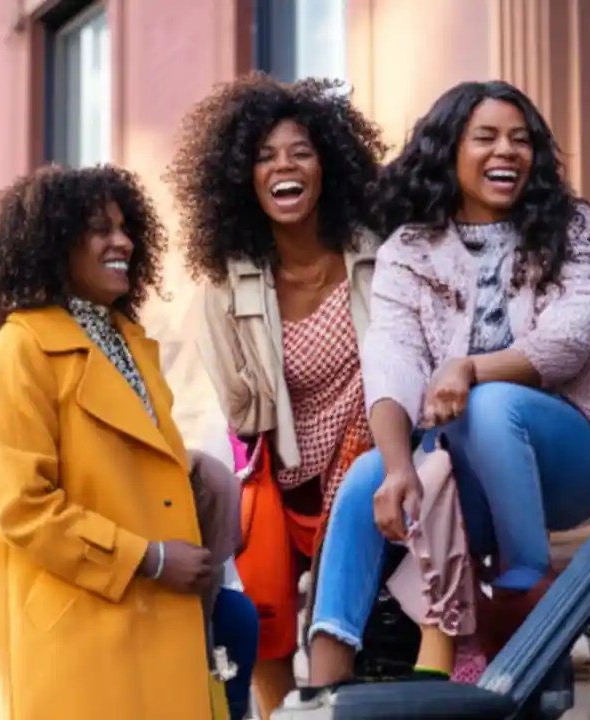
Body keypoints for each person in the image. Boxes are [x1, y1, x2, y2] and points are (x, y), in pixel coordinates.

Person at [301, 80, 590, 699]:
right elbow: (390, 357)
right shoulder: (408, 252)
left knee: (488, 404)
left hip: (568, 454)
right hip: (467, 467)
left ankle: (525, 584)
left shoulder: (566, 225)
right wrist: (396, 469)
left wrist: (470, 369)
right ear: (449, 151)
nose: (508, 152)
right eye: (487, 137)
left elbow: (576, 331)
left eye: (521, 140)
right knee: (365, 479)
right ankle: (325, 679)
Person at [0, 165, 229, 720]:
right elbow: (18, 504)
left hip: (155, 625)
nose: (122, 241)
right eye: (98, 229)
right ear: (54, 242)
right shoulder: (23, 348)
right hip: (80, 640)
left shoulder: (131, 343)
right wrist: (151, 558)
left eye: (124, 226)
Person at [167, 73, 386, 715]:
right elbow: (243, 411)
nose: (283, 166)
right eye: (264, 156)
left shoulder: (376, 256)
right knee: (258, 589)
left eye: (301, 151)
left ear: (329, 166)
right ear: (242, 180)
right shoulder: (226, 288)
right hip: (283, 472)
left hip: (372, 458)